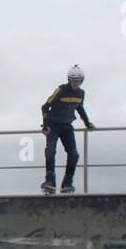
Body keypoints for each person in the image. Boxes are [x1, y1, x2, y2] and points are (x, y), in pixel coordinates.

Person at [40, 65, 96, 194]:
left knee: (74, 154)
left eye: (78, 81)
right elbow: (45, 106)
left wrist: (88, 124)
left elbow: (80, 108)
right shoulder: (60, 90)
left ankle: (67, 183)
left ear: (82, 81)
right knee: (50, 150)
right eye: (73, 80)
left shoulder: (81, 94)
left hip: (67, 126)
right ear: (69, 80)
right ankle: (50, 181)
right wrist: (45, 125)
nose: (75, 83)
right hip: (53, 125)